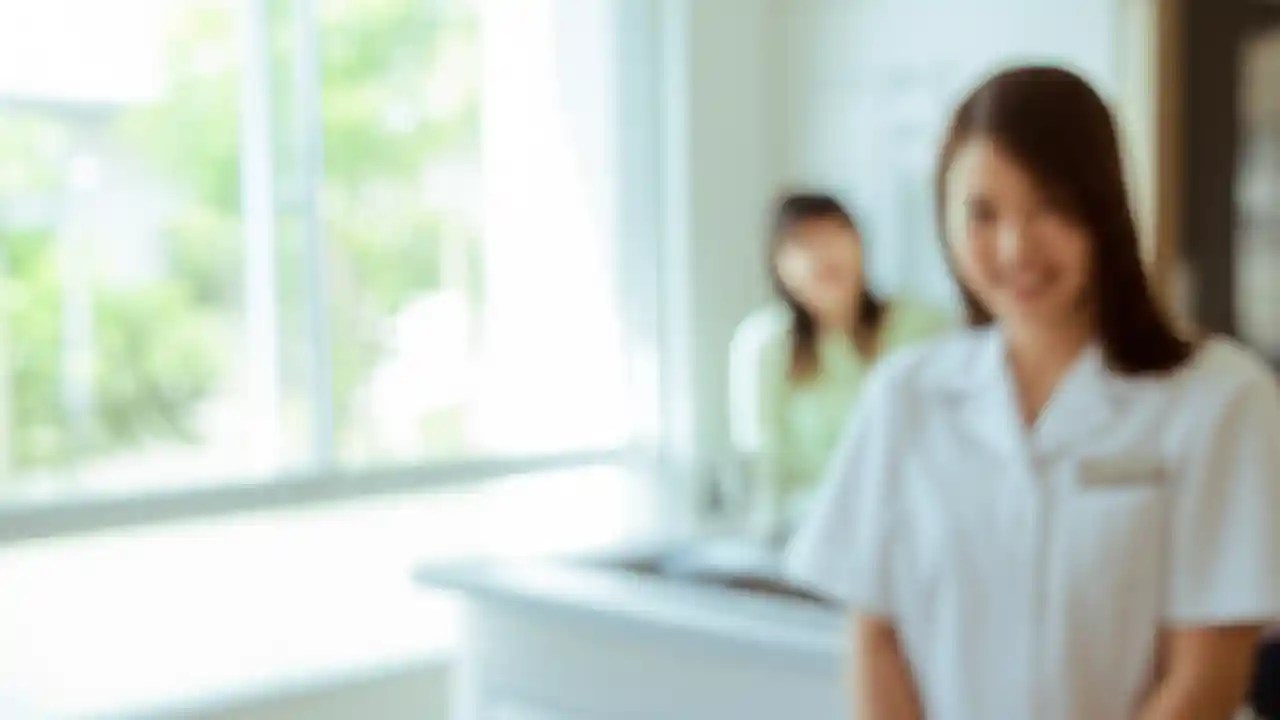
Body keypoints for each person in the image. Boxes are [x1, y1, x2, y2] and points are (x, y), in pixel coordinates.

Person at [785, 66, 1280, 720]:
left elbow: (1207, 669)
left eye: (1050, 206)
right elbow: (876, 637)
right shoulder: (904, 394)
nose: (1016, 247)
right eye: (982, 213)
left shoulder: (1221, 397)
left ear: (1104, 209)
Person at [728, 193, 947, 536]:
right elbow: (763, 467)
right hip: (805, 532)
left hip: (911, 528)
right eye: (803, 243)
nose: (823, 254)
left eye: (835, 234)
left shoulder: (922, 327)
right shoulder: (766, 343)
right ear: (777, 264)